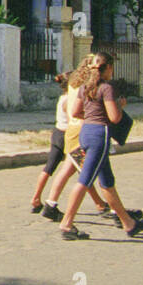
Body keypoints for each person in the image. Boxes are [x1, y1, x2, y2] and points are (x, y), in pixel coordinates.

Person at [58, 52, 143, 240]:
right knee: (85, 181)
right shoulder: (107, 88)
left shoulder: (85, 87)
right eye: (112, 67)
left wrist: (91, 117)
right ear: (107, 68)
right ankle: (66, 224)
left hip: (86, 133)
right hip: (100, 136)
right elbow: (114, 117)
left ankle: (128, 223)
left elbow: (74, 111)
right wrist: (120, 106)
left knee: (107, 181)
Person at [32, 71, 107, 216]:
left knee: (52, 169)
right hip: (69, 135)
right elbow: (73, 116)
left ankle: (38, 199)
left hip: (58, 134)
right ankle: (99, 204)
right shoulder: (72, 98)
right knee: (84, 171)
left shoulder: (63, 97)